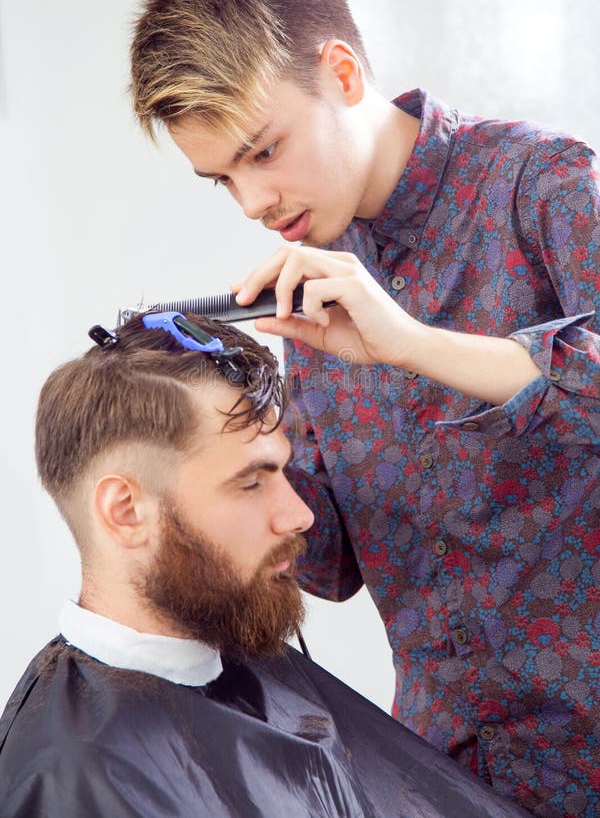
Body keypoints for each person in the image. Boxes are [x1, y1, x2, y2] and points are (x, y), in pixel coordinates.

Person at [128, 0, 600, 816]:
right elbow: (333, 563)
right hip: (443, 776)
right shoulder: (314, 290)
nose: (253, 203)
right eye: (221, 179)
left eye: (263, 152)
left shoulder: (543, 184)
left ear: (341, 73)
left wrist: (410, 342)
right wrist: (223, 448)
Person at [0, 312, 525, 818]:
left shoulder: (242, 659)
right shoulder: (74, 784)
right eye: (252, 482)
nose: (301, 516)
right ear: (126, 511)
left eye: (284, 475)